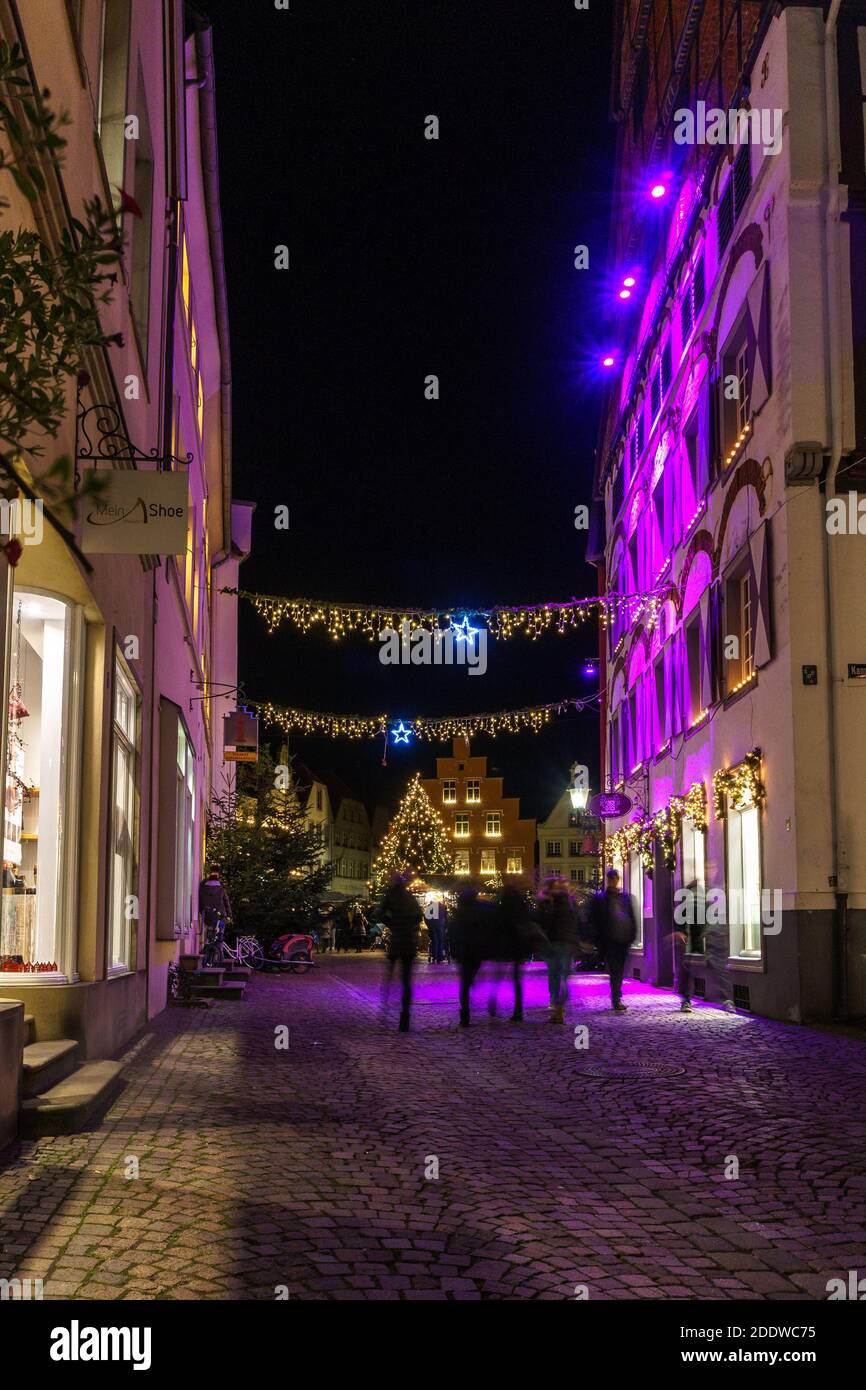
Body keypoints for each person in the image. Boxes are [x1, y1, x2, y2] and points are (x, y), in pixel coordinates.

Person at [588, 867, 637, 1013]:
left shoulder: (625, 897)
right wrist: (595, 940)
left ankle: (617, 996)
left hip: (623, 940)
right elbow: (594, 920)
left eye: (616, 878)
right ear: (608, 880)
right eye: (611, 878)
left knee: (619, 970)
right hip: (609, 941)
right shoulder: (600, 898)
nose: (614, 880)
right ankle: (616, 999)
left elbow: (632, 917)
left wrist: (632, 935)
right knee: (615, 970)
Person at [377, 875, 423, 1031]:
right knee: (406, 981)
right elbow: (419, 915)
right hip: (408, 941)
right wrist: (410, 926)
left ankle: (384, 1008)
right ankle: (405, 1016)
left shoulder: (390, 897)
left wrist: (392, 924)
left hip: (397, 940)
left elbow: (380, 913)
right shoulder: (410, 897)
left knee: (389, 976)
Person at [533, 877, 580, 1023]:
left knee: (554, 975)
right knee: (564, 976)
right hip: (567, 943)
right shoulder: (571, 902)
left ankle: (555, 1004)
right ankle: (560, 1005)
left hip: (553, 942)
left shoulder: (549, 902)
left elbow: (542, 921)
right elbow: (578, 921)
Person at [450, 882, 495, 1027]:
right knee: (472, 976)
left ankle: (465, 1015)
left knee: (464, 983)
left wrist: (454, 951)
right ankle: (474, 984)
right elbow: (486, 930)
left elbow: (453, 934)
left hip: (464, 951)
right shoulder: (480, 912)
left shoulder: (458, 913)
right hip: (477, 951)